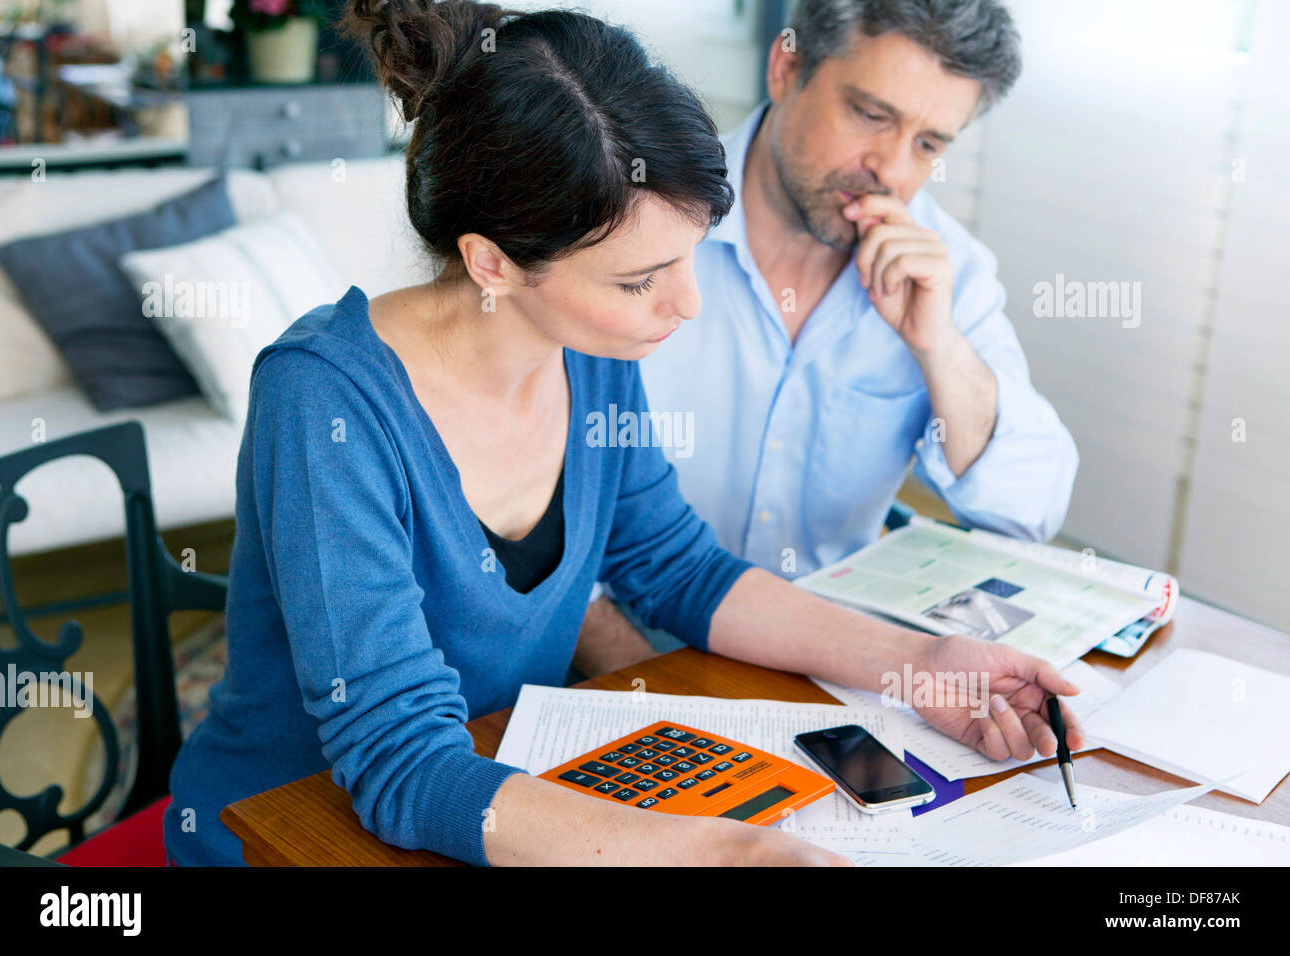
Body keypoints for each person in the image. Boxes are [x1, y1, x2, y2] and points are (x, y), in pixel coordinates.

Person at [164, 0, 1085, 868]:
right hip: (289, 827)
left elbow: (678, 568)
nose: (685, 304)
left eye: (688, 256)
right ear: (493, 261)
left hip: (489, 793)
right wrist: (716, 850)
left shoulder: (586, 347)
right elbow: (399, 760)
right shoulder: (325, 398)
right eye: (642, 280)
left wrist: (922, 665)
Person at [576, 0, 1080, 670]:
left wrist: (940, 347)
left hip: (841, 666)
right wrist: (664, 692)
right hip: (635, 665)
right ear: (787, 66)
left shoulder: (946, 271)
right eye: (872, 115)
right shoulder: (624, 228)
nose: (893, 171)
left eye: (928, 144)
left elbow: (1029, 514)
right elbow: (537, 535)